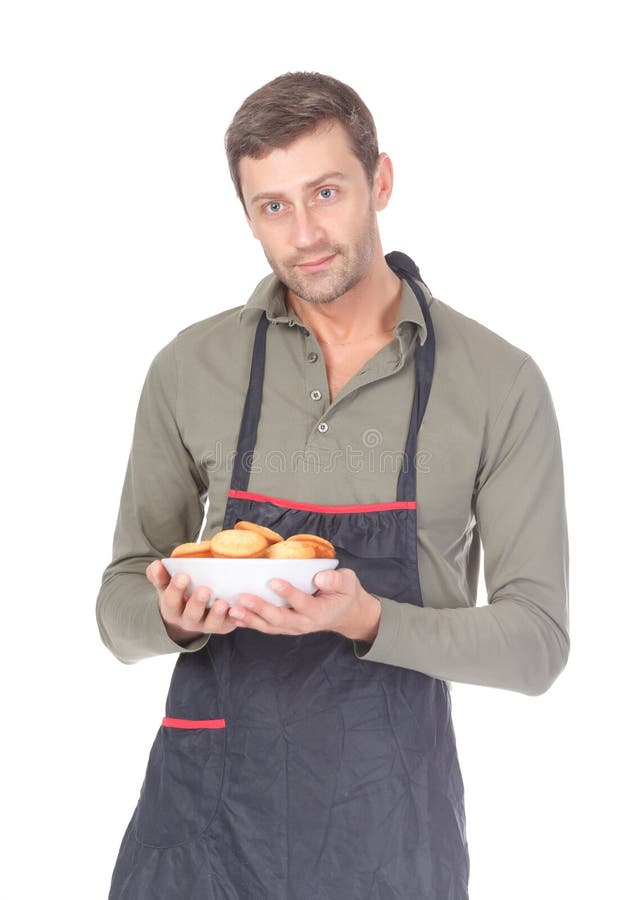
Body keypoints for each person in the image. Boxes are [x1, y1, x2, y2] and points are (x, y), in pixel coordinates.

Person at [97, 71, 569, 900]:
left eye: (326, 192)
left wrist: (367, 618)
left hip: (386, 835)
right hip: (202, 828)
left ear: (379, 180)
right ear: (247, 216)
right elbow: (116, 607)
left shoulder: (497, 382)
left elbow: (536, 646)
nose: (305, 232)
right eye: (272, 206)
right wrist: (169, 616)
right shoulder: (189, 369)